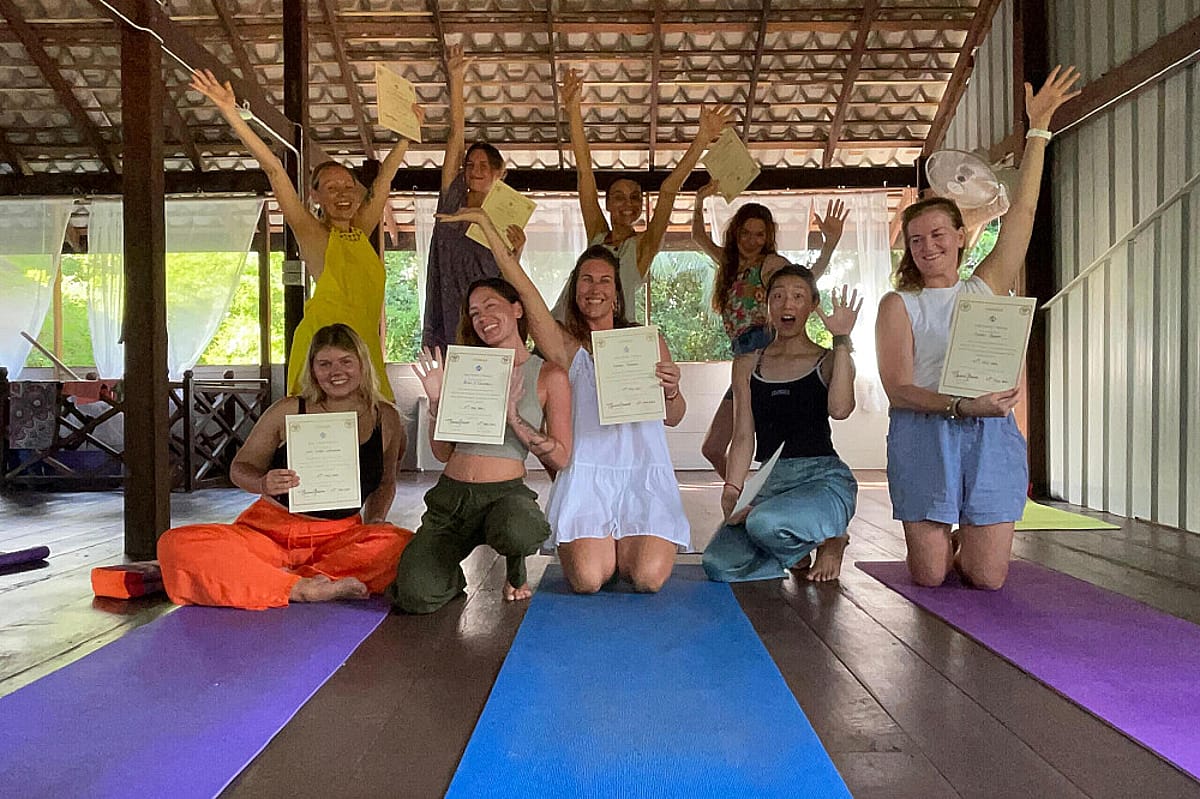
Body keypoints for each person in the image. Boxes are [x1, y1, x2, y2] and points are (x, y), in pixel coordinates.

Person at [875, 66, 1081, 590]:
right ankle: (946, 537)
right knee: (929, 576)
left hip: (989, 433)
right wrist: (961, 405)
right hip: (925, 433)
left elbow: (1026, 212)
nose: (927, 247)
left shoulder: (984, 285)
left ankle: (973, 530)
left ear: (962, 237)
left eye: (938, 234)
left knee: (987, 580)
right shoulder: (899, 303)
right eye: (916, 239)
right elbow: (898, 389)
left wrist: (1038, 129)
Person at [443, 208, 690, 593]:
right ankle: (604, 547)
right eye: (586, 280)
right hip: (588, 477)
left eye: (604, 280)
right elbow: (524, 292)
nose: (595, 288)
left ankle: (625, 546)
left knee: (646, 579)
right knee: (589, 581)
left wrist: (672, 390)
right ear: (575, 289)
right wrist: (489, 228)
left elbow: (674, 416)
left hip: (643, 471)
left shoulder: (646, 341)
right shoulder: (564, 347)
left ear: (616, 292)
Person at [190, 70, 421, 402]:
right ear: (316, 198)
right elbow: (273, 169)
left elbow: (383, 181)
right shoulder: (312, 232)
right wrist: (230, 113)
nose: (342, 193)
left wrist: (406, 135)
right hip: (323, 349)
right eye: (331, 188)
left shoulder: (361, 230)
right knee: (320, 437)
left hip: (364, 348)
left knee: (381, 435)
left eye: (347, 185)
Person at [158, 324, 411, 609]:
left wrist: (376, 519)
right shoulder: (288, 409)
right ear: (312, 370)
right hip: (268, 534)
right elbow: (240, 468)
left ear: (363, 364)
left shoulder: (385, 416)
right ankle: (299, 587)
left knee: (401, 544)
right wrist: (263, 483)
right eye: (324, 364)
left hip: (340, 538)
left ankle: (272, 580)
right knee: (177, 544)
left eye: (345, 362)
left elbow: (386, 481)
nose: (335, 372)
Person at [389, 278, 572, 613]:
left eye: (491, 306)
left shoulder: (548, 374)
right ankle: (449, 576)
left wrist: (514, 419)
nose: (482, 317)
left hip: (504, 498)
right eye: (474, 313)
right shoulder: (466, 369)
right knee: (415, 594)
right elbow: (443, 453)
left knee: (521, 529)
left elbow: (561, 457)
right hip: (451, 498)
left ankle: (514, 566)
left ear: (517, 309)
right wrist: (436, 404)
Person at [704, 265, 861, 583]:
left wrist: (842, 339)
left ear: (812, 306)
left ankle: (833, 540)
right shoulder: (747, 364)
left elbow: (841, 409)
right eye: (778, 296)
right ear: (767, 305)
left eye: (798, 296)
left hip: (823, 480)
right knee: (717, 564)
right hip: (770, 482)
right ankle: (795, 549)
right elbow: (744, 435)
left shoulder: (830, 359)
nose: (787, 304)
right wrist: (732, 492)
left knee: (763, 523)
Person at [692, 182, 849, 478]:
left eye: (759, 234)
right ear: (735, 233)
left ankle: (750, 497)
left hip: (766, 352)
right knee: (713, 448)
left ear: (768, 239)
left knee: (778, 443)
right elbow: (698, 236)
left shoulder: (770, 264)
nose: (752, 241)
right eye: (746, 233)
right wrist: (700, 198)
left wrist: (829, 245)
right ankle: (746, 496)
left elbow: (804, 280)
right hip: (744, 359)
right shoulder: (730, 264)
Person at [551, 68, 732, 322]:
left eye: (635, 197)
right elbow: (584, 172)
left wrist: (702, 139)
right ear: (608, 204)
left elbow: (669, 190)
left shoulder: (642, 247)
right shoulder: (598, 236)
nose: (628, 204)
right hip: (565, 326)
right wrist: (573, 111)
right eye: (620, 197)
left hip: (609, 337)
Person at [422, 44, 527, 351]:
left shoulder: (506, 218)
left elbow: (508, 282)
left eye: (483, 166)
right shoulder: (452, 198)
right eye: (470, 165)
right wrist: (457, 82)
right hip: (444, 319)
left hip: (485, 327)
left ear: (499, 173)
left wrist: (518, 251)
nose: (474, 170)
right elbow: (455, 136)